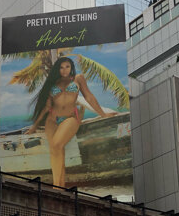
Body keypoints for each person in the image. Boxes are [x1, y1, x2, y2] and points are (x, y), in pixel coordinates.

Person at [27, 56, 116, 187]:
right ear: (58, 69)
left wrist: (103, 114)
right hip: (52, 120)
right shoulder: (53, 82)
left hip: (70, 118)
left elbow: (89, 97)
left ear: (71, 67)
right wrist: (34, 126)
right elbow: (47, 106)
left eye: (67, 67)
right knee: (56, 151)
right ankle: (60, 187)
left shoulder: (78, 79)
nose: (64, 70)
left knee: (56, 145)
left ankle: (56, 187)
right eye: (61, 67)